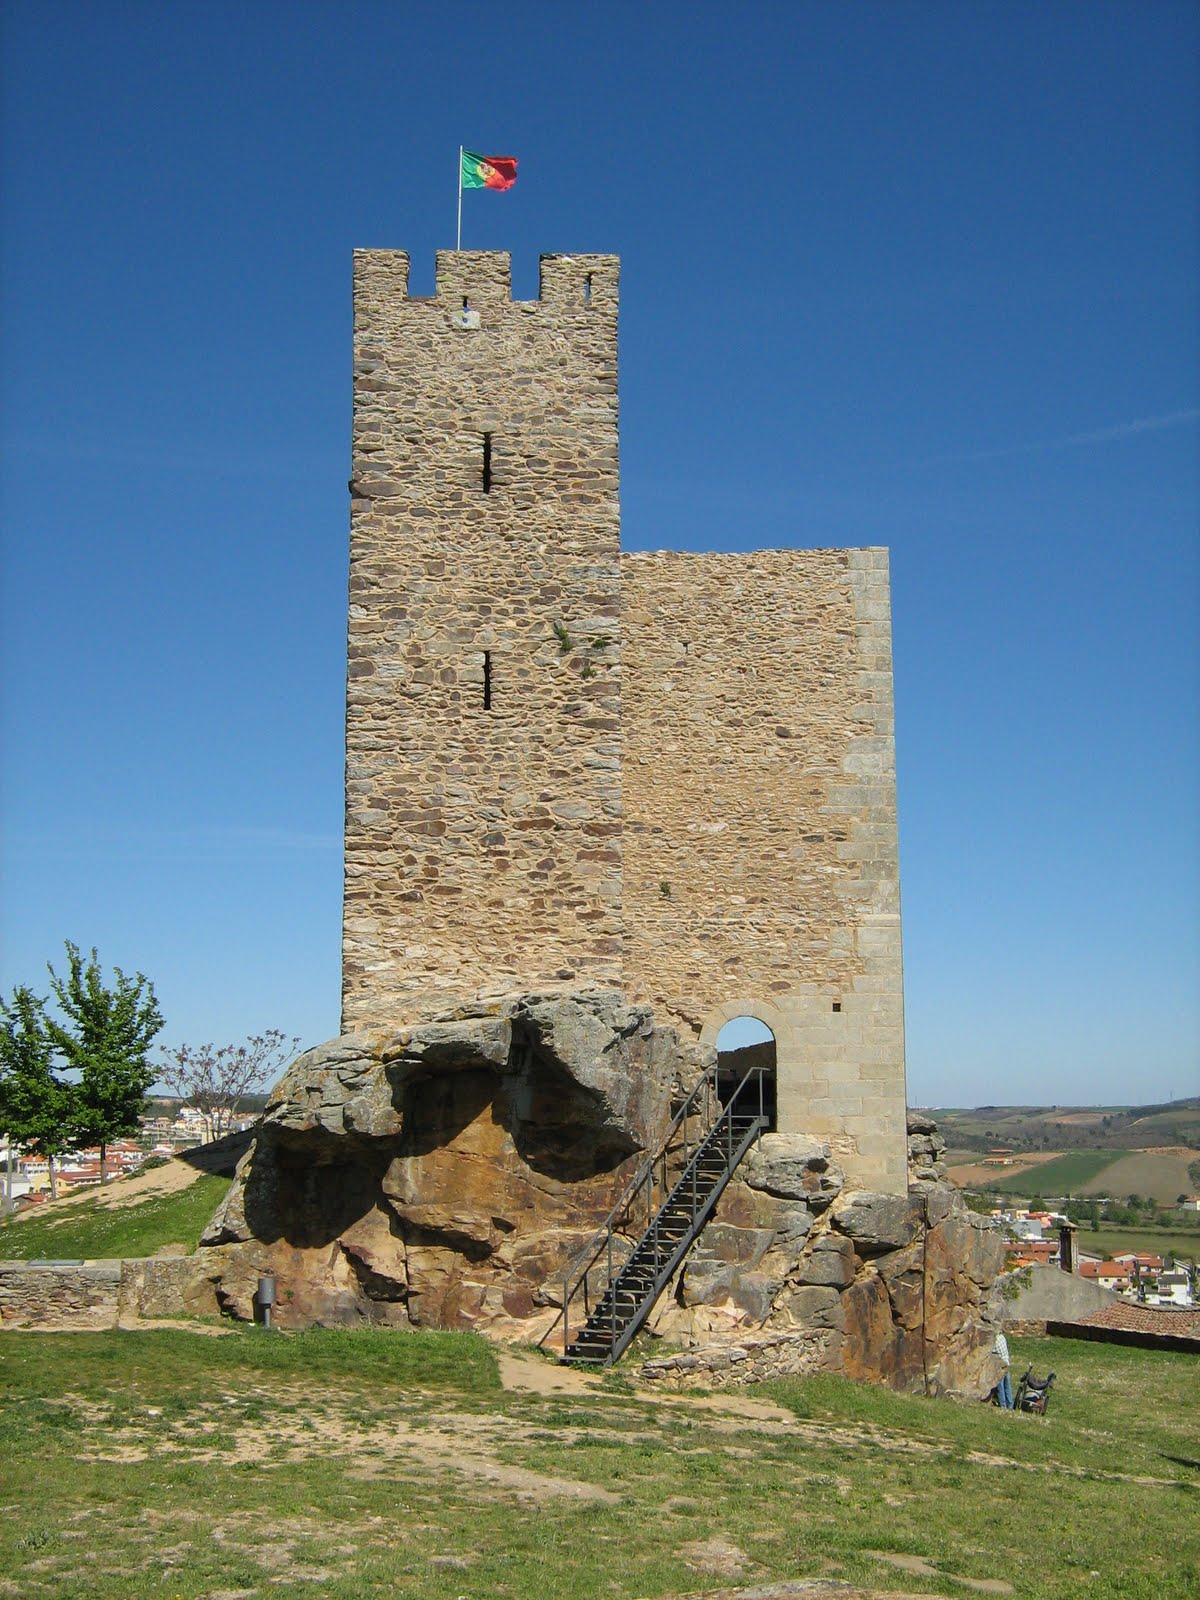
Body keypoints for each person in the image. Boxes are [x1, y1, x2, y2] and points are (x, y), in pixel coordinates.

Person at [993, 1329, 1014, 1409]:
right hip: (1007, 1363)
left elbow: (991, 1351)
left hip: (1000, 1366)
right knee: (1007, 1386)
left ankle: (1003, 1405)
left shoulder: (995, 1342)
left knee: (1000, 1387)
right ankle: (1010, 1405)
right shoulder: (1002, 1338)